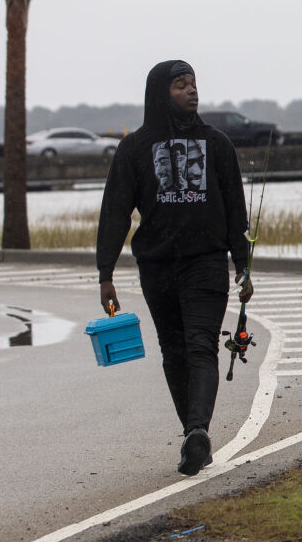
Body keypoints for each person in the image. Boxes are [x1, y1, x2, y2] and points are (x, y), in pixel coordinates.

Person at [96, 60, 253, 476]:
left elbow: (237, 208)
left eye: (193, 84)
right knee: (174, 352)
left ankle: (197, 429)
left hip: (205, 262)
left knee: (201, 345)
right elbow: (115, 212)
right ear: (160, 94)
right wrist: (105, 273)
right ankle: (193, 434)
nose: (191, 91)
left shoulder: (217, 144)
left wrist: (243, 265)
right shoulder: (134, 148)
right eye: (181, 85)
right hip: (157, 267)